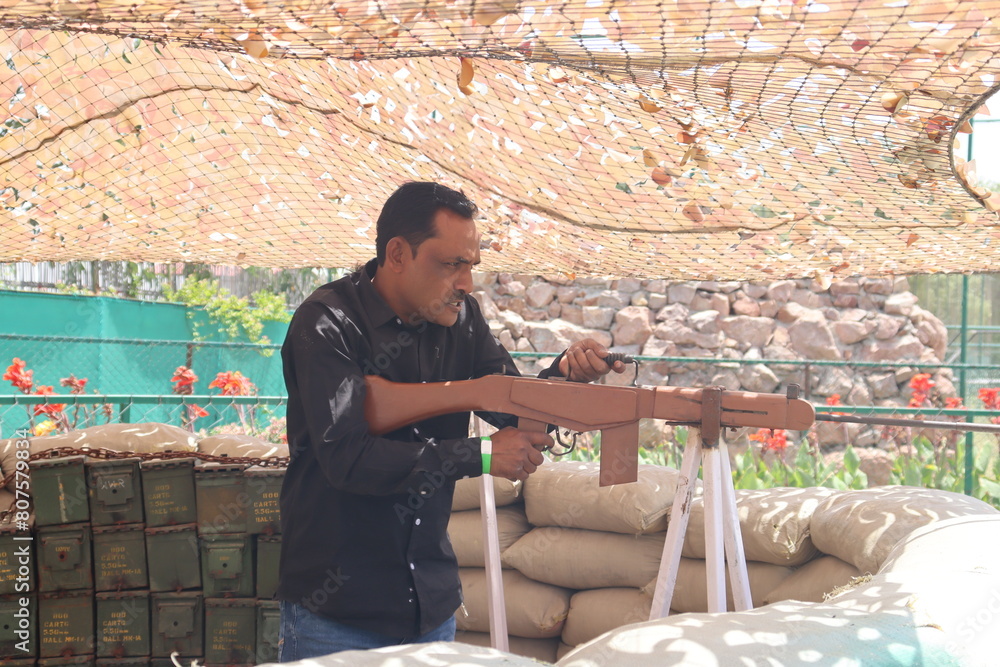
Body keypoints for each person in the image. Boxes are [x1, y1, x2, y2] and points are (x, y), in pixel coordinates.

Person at [277, 181, 624, 659]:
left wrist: (565, 375)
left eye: (471, 265)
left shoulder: (462, 317)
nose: (466, 283)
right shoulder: (326, 322)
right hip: (336, 612)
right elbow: (346, 459)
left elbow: (510, 405)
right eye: (451, 264)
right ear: (397, 254)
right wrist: (479, 455)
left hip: (430, 605)